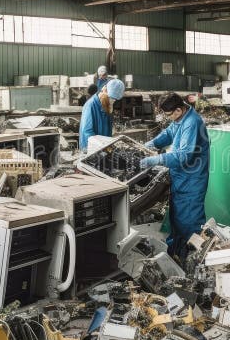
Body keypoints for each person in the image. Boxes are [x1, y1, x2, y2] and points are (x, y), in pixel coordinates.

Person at [140, 93, 210, 258]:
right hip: (180, 177)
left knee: (190, 223)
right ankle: (176, 255)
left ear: (178, 109)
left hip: (191, 181)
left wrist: (155, 160)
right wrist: (150, 145)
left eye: (169, 114)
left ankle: (192, 260)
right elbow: (169, 134)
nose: (168, 118)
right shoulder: (181, 118)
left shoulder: (192, 123)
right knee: (177, 220)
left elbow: (183, 156)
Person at [78, 79, 125, 150]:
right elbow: (87, 131)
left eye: (115, 99)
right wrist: (102, 146)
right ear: (104, 90)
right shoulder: (91, 105)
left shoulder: (106, 105)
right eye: (111, 98)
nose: (112, 101)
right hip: (90, 148)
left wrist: (109, 144)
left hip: (103, 147)